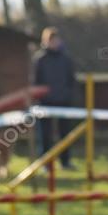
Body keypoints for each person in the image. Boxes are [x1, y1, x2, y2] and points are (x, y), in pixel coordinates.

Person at [32, 27, 77, 169]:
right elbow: (35, 81)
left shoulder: (66, 58)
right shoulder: (40, 59)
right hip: (45, 102)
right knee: (45, 135)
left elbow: (71, 79)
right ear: (46, 41)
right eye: (51, 40)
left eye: (56, 40)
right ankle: (46, 163)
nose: (54, 43)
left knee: (65, 133)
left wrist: (69, 95)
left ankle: (65, 161)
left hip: (64, 101)